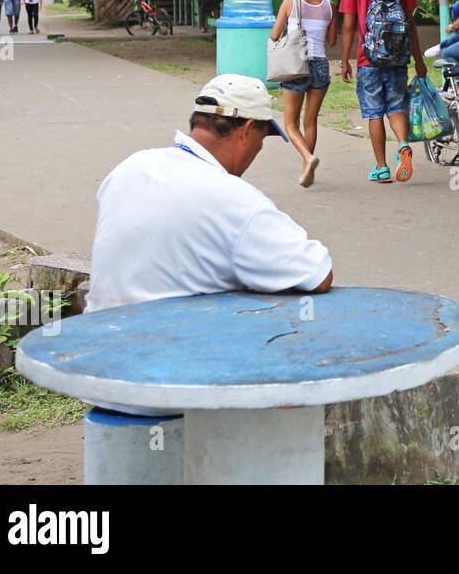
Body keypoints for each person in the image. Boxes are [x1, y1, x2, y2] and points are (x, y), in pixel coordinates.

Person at [86, 74, 333, 415]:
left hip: (98, 367)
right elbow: (318, 275)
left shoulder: (132, 165)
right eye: (261, 139)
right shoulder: (234, 198)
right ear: (247, 129)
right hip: (165, 384)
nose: (257, 152)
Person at [339, 0, 429, 184]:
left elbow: (347, 27)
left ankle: (381, 167)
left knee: (374, 112)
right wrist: (419, 61)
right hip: (399, 57)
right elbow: (410, 24)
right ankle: (402, 144)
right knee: (397, 105)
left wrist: (345, 61)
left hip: (368, 59)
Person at [269, 0, 336, 187]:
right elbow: (332, 41)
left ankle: (307, 159)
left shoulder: (290, 2)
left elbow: (275, 34)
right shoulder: (330, 6)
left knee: (290, 123)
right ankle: (306, 165)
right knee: (311, 121)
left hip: (296, 64)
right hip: (320, 65)